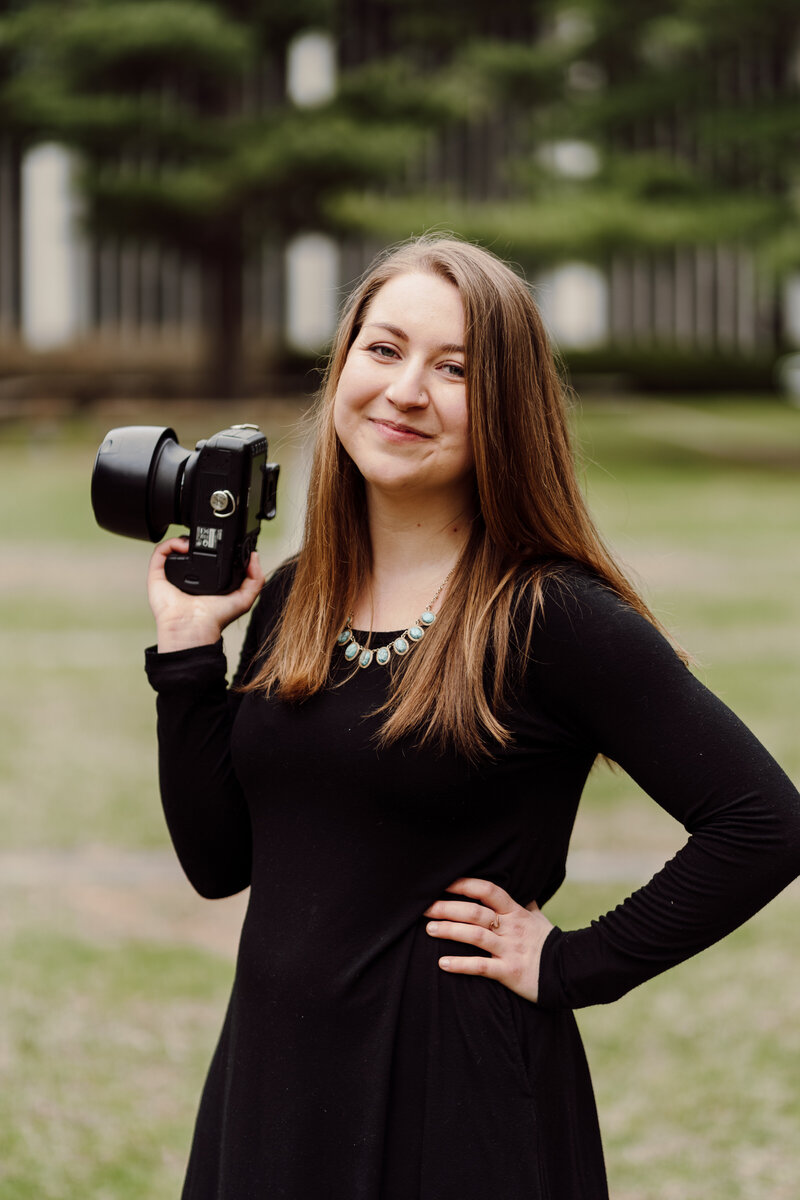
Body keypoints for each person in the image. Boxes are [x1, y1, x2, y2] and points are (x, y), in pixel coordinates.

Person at [145, 236, 800, 1200]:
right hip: (275, 1081)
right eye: (383, 350)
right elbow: (220, 863)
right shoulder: (294, 597)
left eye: (455, 369)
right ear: (341, 370)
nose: (406, 391)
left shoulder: (551, 616)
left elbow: (764, 823)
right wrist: (189, 657)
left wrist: (576, 963)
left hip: (455, 1100)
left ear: (507, 410)